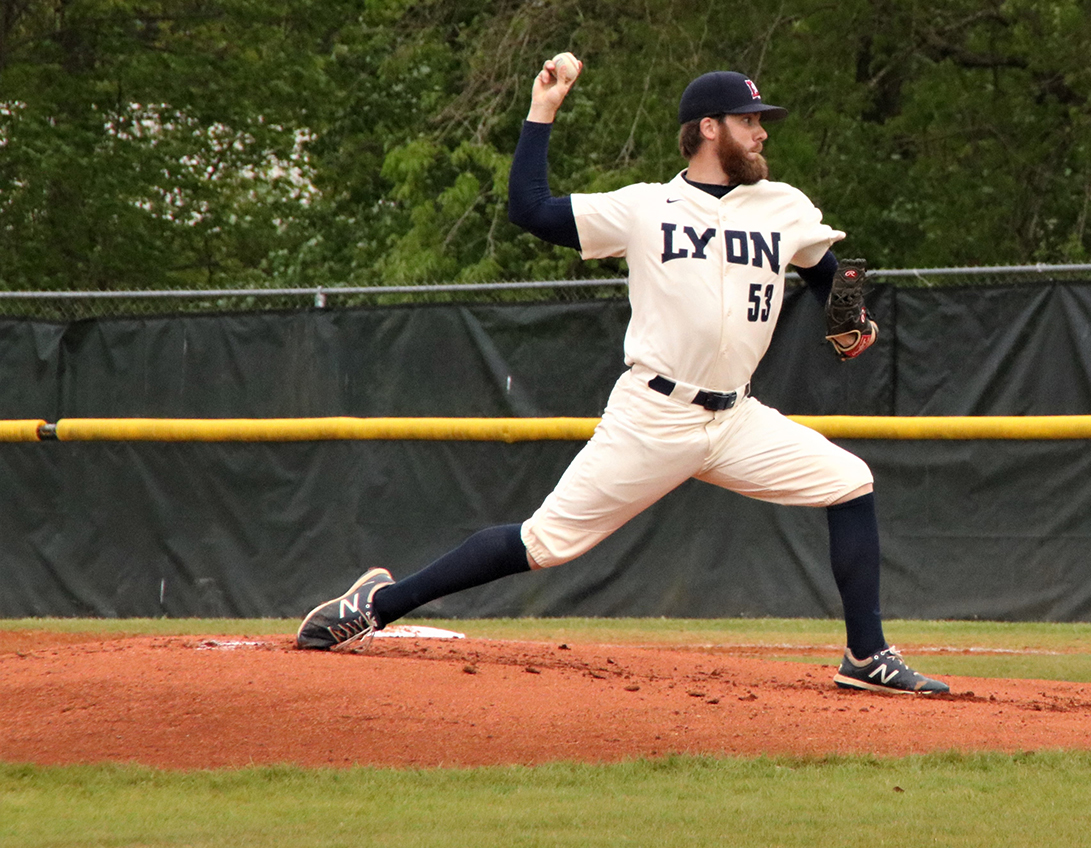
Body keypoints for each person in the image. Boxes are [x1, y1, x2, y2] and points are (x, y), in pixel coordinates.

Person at [296, 53, 948, 694]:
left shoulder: (781, 205)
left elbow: (823, 270)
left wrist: (851, 321)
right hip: (653, 414)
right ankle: (376, 606)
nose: (761, 130)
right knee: (545, 544)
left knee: (849, 482)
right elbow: (529, 208)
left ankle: (865, 657)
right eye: (748, 119)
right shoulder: (645, 208)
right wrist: (541, 110)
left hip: (737, 417)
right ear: (709, 128)